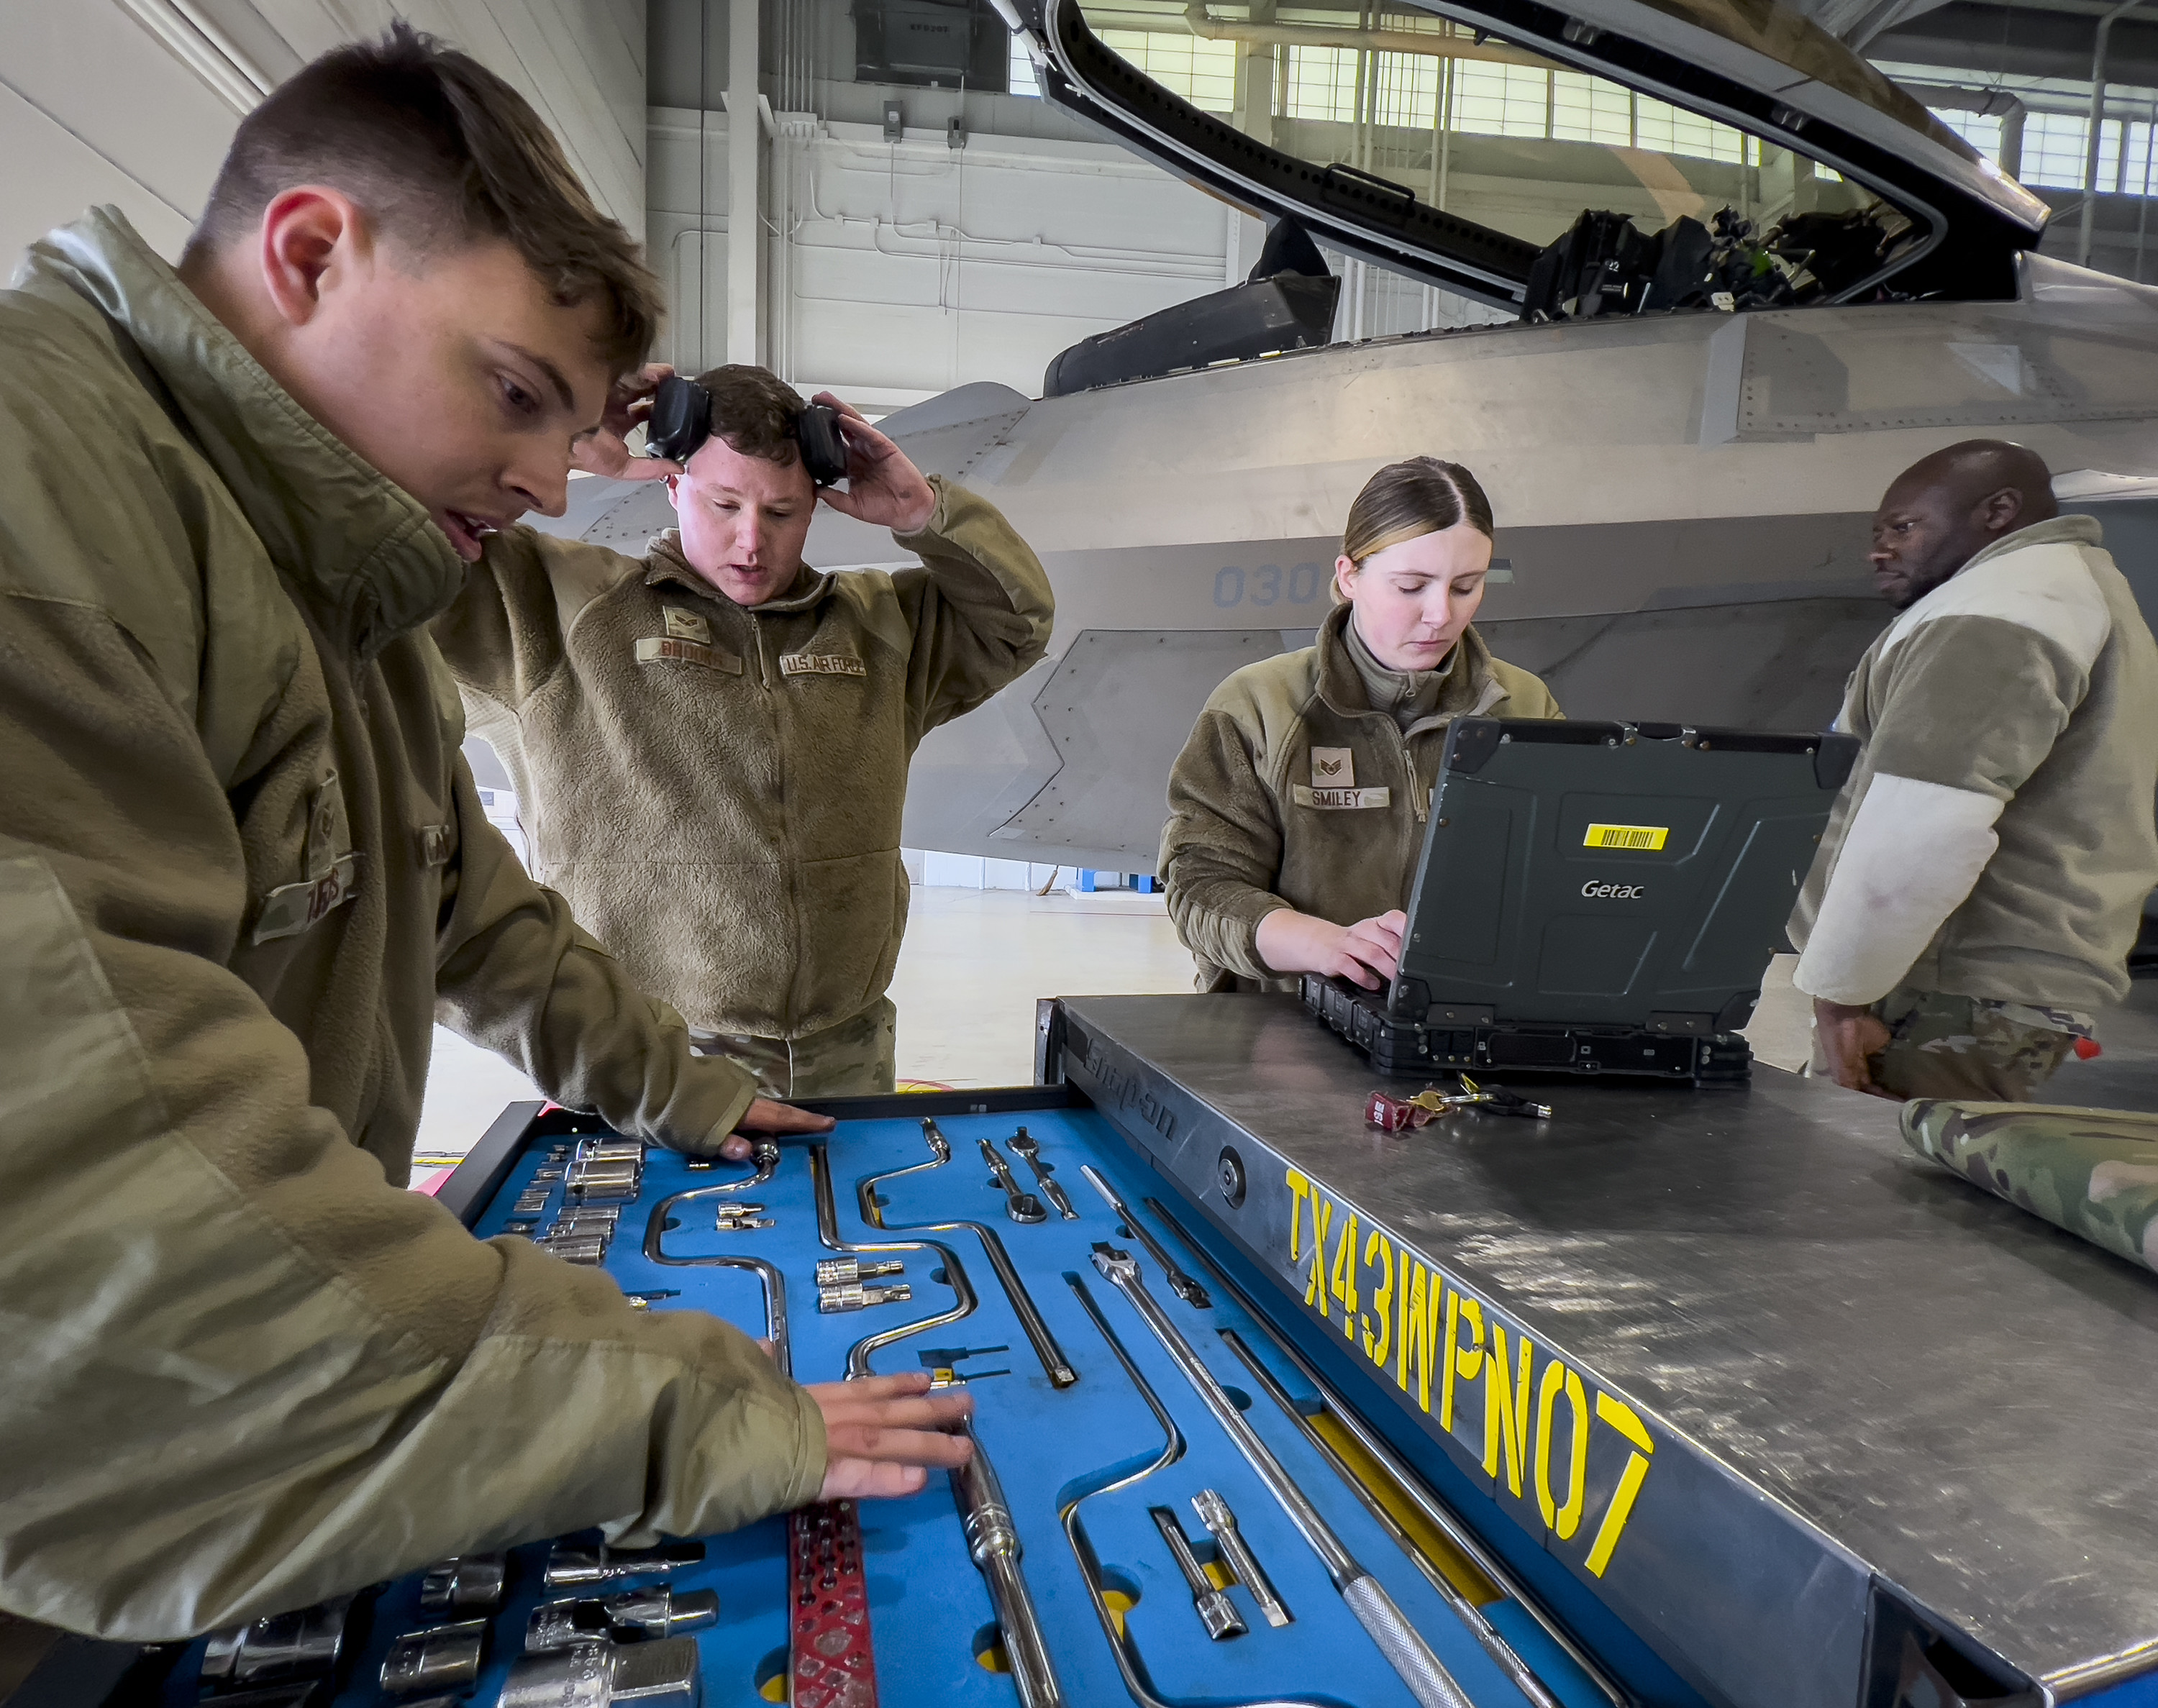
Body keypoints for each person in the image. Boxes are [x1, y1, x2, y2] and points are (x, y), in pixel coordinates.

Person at [0, 28, 969, 1643]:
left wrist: (685, 1088)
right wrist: (682, 1409)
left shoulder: (331, 579)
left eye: (570, 422)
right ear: (311, 253)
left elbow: (464, 905)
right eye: (514, 394)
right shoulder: (51, 500)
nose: (537, 477)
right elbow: (91, 1202)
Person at [430, 364, 1054, 1097]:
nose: (750, 540)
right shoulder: (559, 608)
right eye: (723, 504)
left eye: (782, 512)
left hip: (846, 1050)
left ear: (817, 506)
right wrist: (548, 438)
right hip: (653, 1060)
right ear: (672, 484)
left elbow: (1018, 623)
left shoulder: (881, 626)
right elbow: (376, 538)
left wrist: (925, 513)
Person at [1790, 439, 2158, 1101]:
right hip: (1963, 985)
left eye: (1904, 527)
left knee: (1873, 1191)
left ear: (1999, 511)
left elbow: (1925, 819)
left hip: (1941, 985)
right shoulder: (2068, 592)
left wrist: (1842, 994)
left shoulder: (1997, 610)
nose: (1880, 550)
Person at [1160, 456, 1562, 992]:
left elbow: (1565, 879)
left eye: (1465, 587)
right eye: (1411, 586)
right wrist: (1325, 945)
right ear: (1349, 576)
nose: (1441, 614)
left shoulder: (1525, 708)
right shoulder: (1258, 706)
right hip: (1282, 1031)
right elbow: (1202, 884)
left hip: (1463, 1027)